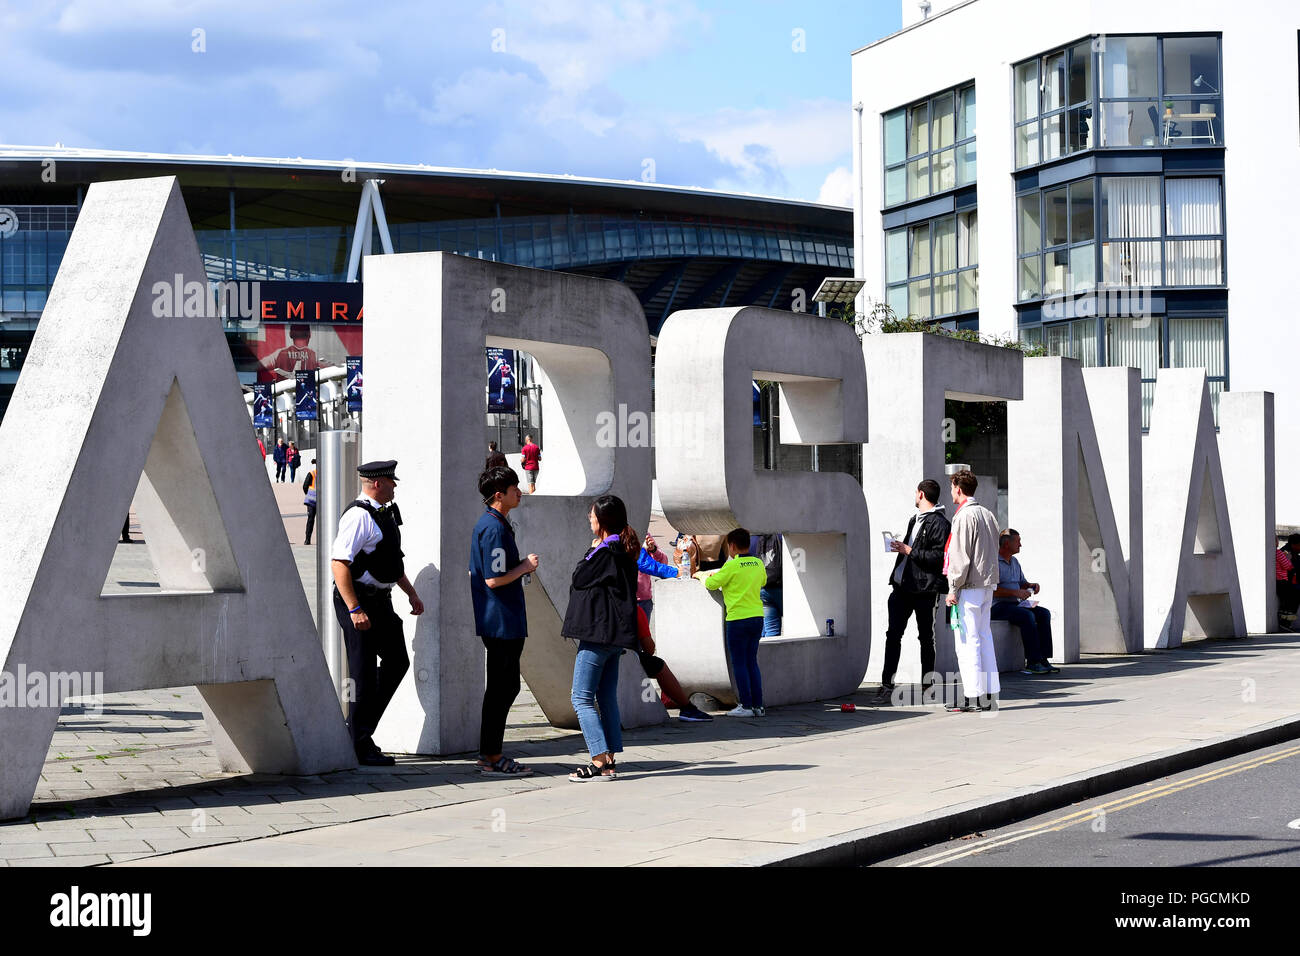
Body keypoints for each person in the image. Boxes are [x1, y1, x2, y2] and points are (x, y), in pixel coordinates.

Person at [330, 459, 425, 765]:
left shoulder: (385, 514)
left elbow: (390, 561)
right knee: (362, 673)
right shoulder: (359, 516)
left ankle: (358, 730)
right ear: (376, 483)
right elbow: (339, 563)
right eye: (391, 481)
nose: (395, 486)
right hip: (359, 601)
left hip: (381, 600)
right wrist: (354, 608)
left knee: (397, 661)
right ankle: (358, 741)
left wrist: (411, 593)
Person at [562, 494, 640, 781]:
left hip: (597, 635)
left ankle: (597, 761)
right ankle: (610, 761)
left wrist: (594, 549)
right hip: (614, 638)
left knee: (581, 698)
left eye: (592, 514)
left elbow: (579, 578)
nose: (589, 517)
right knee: (606, 697)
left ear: (603, 522)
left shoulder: (606, 552)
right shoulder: (623, 550)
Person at [469, 466, 539, 775]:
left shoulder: (494, 523)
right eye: (514, 489)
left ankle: (491, 753)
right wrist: (524, 566)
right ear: (499, 495)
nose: (519, 492)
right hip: (500, 620)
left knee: (504, 686)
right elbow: (494, 579)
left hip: (501, 619)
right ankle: (491, 755)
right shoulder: (494, 528)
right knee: (502, 687)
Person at [875, 479, 950, 702]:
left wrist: (909, 550)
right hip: (902, 587)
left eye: (915, 492)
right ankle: (887, 683)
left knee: (926, 637)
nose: (914, 496)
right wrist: (901, 548)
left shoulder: (940, 524)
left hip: (925, 590)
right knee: (893, 635)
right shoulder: (914, 520)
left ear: (921, 494)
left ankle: (928, 686)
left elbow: (939, 559)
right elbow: (912, 552)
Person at [632, 532, 712, 722]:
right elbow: (645, 564)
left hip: (642, 600)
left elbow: (658, 559)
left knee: (638, 654)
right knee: (650, 661)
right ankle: (684, 707)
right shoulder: (625, 541)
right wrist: (675, 572)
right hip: (634, 606)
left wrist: (652, 549)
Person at [943, 469, 1002, 713]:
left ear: (957, 487)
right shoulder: (987, 514)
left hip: (970, 585)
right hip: (987, 584)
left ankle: (973, 696)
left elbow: (960, 556)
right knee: (984, 637)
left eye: (952, 487)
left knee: (967, 641)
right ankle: (988, 694)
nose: (951, 492)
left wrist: (953, 588)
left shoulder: (964, 516)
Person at [698, 528, 767, 717]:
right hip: (757, 617)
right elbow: (762, 582)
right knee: (752, 662)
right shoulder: (758, 563)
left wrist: (701, 575)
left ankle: (745, 705)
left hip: (737, 619)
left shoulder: (732, 566)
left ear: (732, 546)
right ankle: (758, 706)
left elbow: (712, 584)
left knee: (739, 663)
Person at [991, 529, 1060, 675]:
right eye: (1018, 541)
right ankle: (1033, 662)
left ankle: (1043, 659)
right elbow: (991, 590)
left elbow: (1022, 583)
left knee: (1043, 613)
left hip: (1014, 604)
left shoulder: (1015, 562)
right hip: (997, 606)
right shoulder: (993, 562)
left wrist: (1030, 586)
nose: (1020, 545)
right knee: (1027, 616)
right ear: (1007, 543)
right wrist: (1015, 593)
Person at [750, 533, 784, 637]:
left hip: (762, 588)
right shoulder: (781, 536)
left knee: (770, 629)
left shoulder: (752, 539)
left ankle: (768, 652)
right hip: (782, 588)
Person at [1277, 534, 1300, 629]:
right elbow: (1290, 567)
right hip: (1285, 582)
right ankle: (1285, 622)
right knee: (1296, 594)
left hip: (1291, 581)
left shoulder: (1294, 552)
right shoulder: (1285, 552)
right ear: (1294, 544)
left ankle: (1287, 622)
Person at [302, 459, 318, 545]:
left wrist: (308, 494)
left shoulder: (312, 474)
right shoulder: (326, 474)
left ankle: (307, 539)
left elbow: (305, 486)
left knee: (310, 520)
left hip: (311, 501)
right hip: (321, 502)